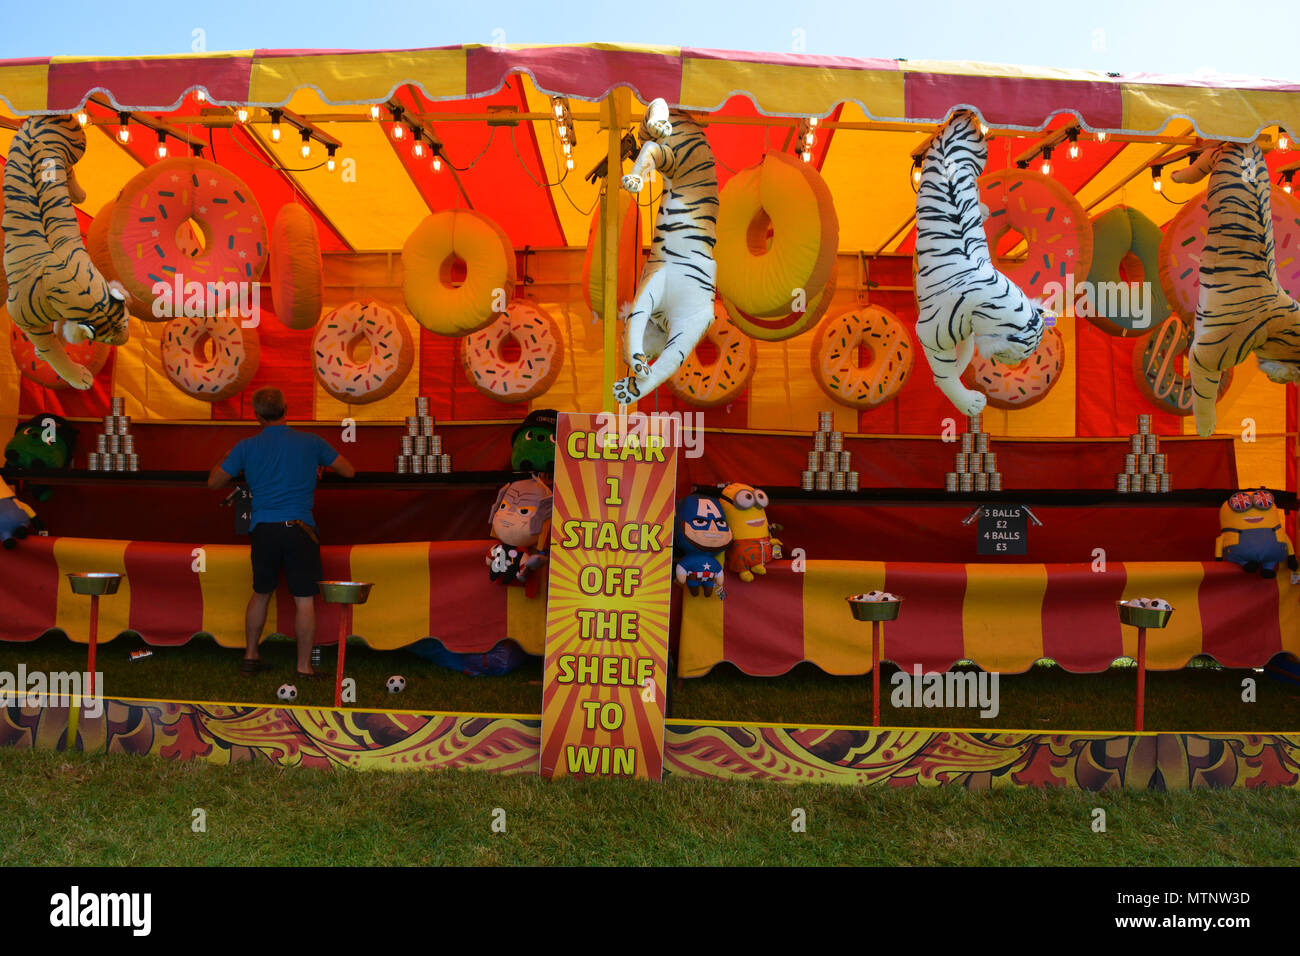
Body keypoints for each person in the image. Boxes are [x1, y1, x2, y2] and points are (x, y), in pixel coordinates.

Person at [208, 388, 355, 678]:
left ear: (257, 416)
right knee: (304, 600)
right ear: (287, 408)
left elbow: (214, 482)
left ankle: (251, 656)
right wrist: (317, 464)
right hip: (300, 529)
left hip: (263, 529)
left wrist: (227, 455)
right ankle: (303, 667)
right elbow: (349, 471)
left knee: (261, 593)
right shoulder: (311, 442)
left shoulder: (245, 447)